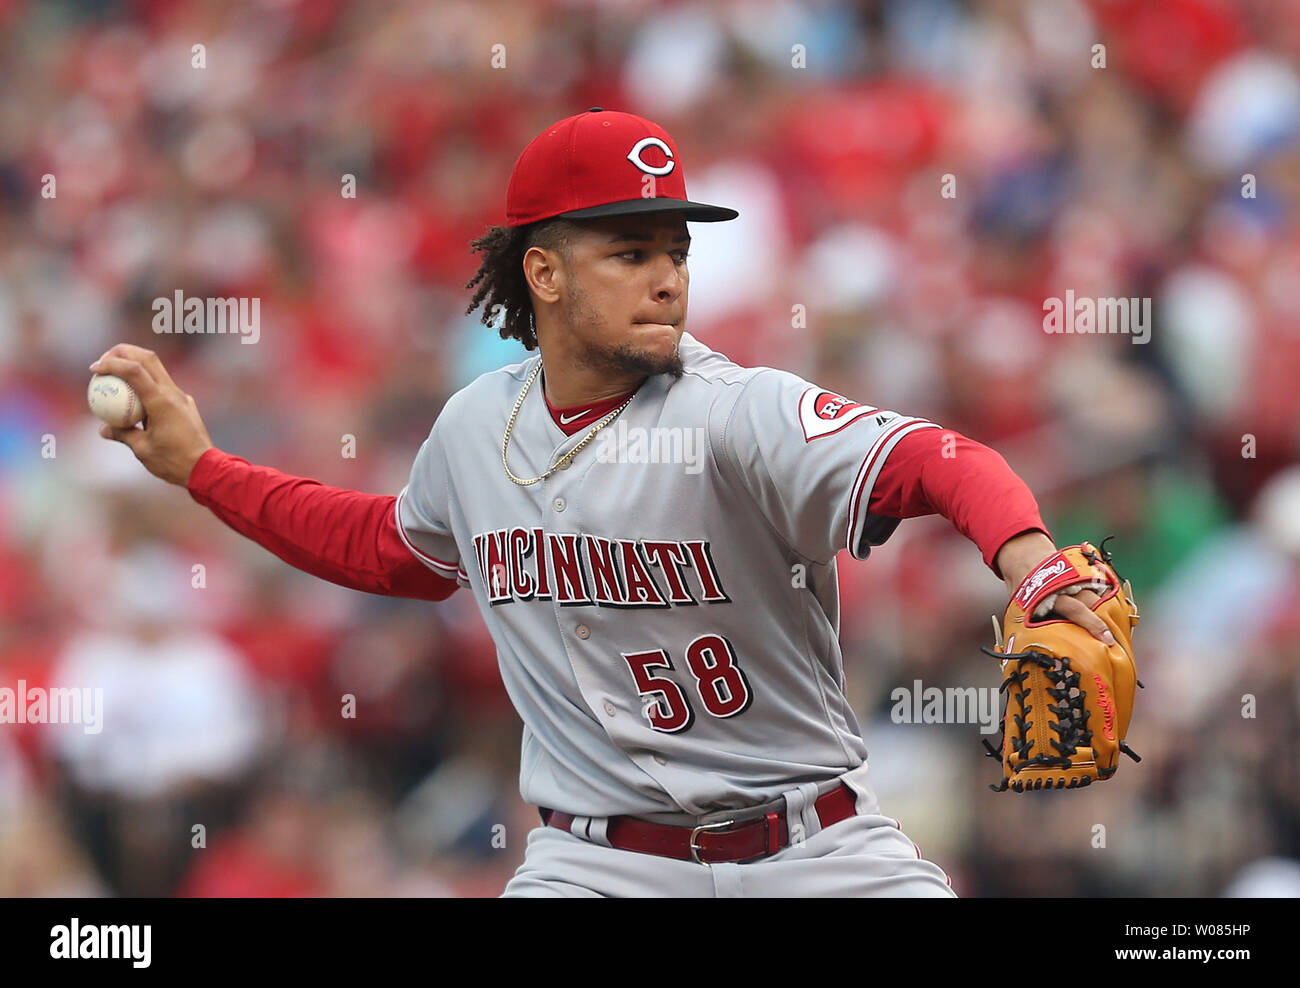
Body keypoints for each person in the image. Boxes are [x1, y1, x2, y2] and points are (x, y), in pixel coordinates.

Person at [91, 108, 1116, 897]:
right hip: (598, 865)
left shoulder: (735, 411)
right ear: (541, 270)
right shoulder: (473, 430)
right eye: (629, 253)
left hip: (817, 849)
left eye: (674, 250)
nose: (666, 277)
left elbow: (936, 460)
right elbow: (387, 549)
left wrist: (1028, 558)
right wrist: (202, 469)